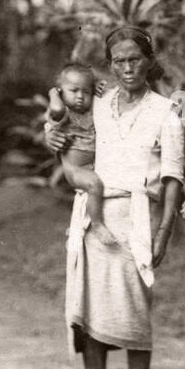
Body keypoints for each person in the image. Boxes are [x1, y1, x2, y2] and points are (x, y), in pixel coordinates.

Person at [45, 26, 184, 369]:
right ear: (109, 65)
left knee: (135, 312)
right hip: (95, 217)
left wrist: (163, 232)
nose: (127, 68)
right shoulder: (100, 105)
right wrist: (52, 135)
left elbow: (173, 177)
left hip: (139, 217)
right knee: (92, 311)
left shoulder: (164, 112)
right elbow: (66, 126)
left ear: (149, 61)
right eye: (119, 61)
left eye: (135, 59)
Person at [44, 63, 113, 245]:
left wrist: (96, 86)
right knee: (94, 184)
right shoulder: (63, 113)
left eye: (86, 92)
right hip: (75, 169)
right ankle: (97, 224)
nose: (80, 97)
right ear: (61, 92)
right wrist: (54, 93)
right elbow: (56, 109)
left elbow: (110, 90)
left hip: (95, 165)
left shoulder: (91, 110)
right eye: (73, 91)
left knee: (99, 184)